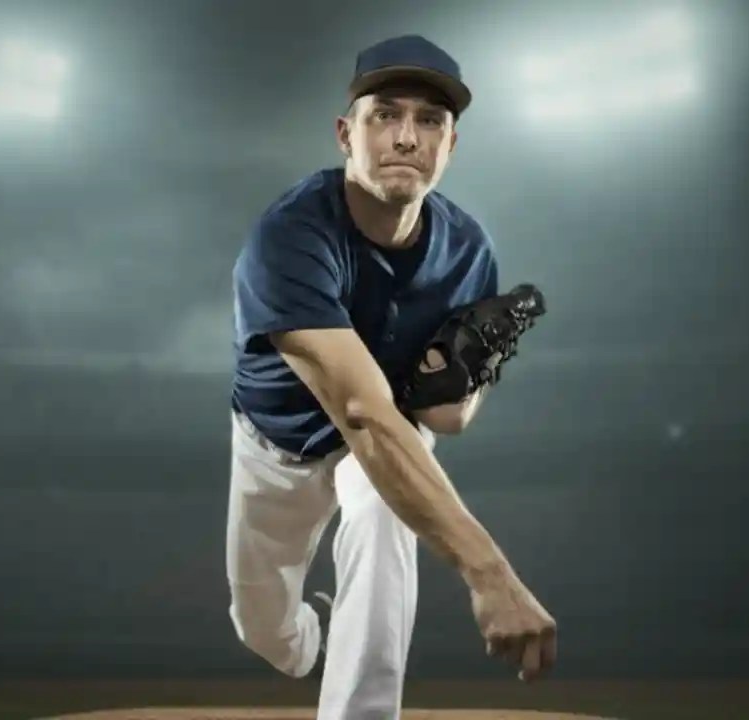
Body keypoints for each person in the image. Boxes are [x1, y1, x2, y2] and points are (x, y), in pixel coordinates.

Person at [225, 34, 557, 719]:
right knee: (265, 633)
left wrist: (460, 382)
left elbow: (444, 420)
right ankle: (304, 637)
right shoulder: (291, 235)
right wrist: (490, 575)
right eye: (386, 114)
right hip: (274, 446)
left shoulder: (468, 250)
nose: (408, 136)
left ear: (451, 146)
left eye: (430, 120)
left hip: (381, 440)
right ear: (347, 134)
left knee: (383, 507)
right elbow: (360, 409)